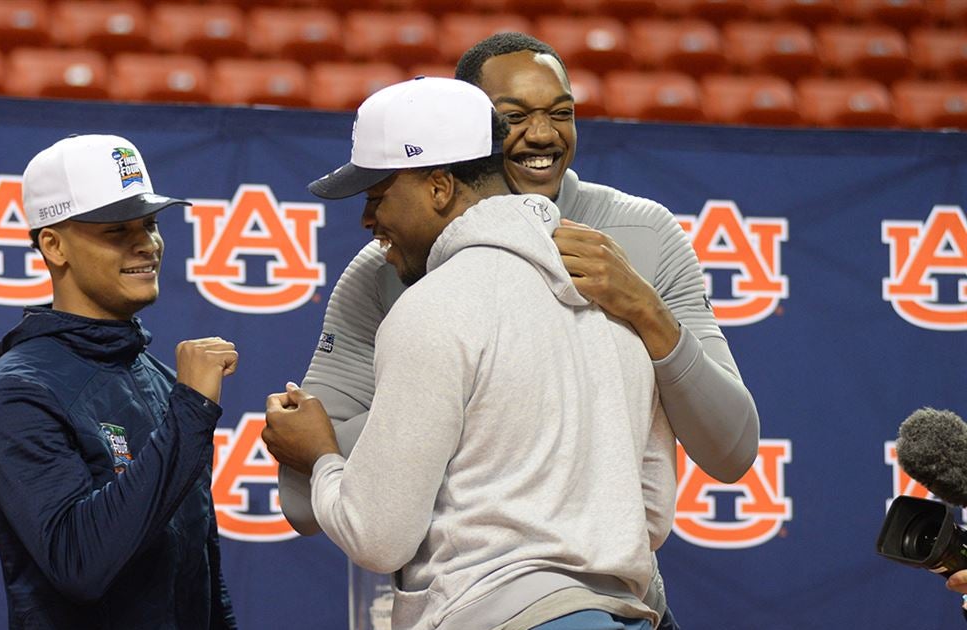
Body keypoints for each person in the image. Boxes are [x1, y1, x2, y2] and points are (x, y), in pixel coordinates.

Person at [279, 32, 762, 628]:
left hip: (562, 602)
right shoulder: (387, 268)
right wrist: (479, 410)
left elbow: (732, 450)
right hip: (575, 604)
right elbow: (299, 498)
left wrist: (648, 311)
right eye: (513, 117)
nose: (541, 134)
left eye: (561, 113)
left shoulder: (637, 242)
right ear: (475, 132)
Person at [0, 134, 238, 629]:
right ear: (53, 246)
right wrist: (190, 413)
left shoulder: (158, 379)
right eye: (117, 230)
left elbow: (199, 561)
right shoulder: (18, 394)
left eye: (150, 224)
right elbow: (81, 564)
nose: (147, 244)